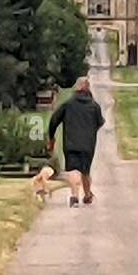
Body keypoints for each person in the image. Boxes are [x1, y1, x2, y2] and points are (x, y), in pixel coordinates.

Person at [46, 76, 105, 207]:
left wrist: (51, 138)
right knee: (85, 170)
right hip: (88, 144)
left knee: (73, 170)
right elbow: (100, 122)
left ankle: (74, 196)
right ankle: (88, 194)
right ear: (88, 89)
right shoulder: (94, 106)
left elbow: (54, 121)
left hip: (70, 142)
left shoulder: (68, 104)